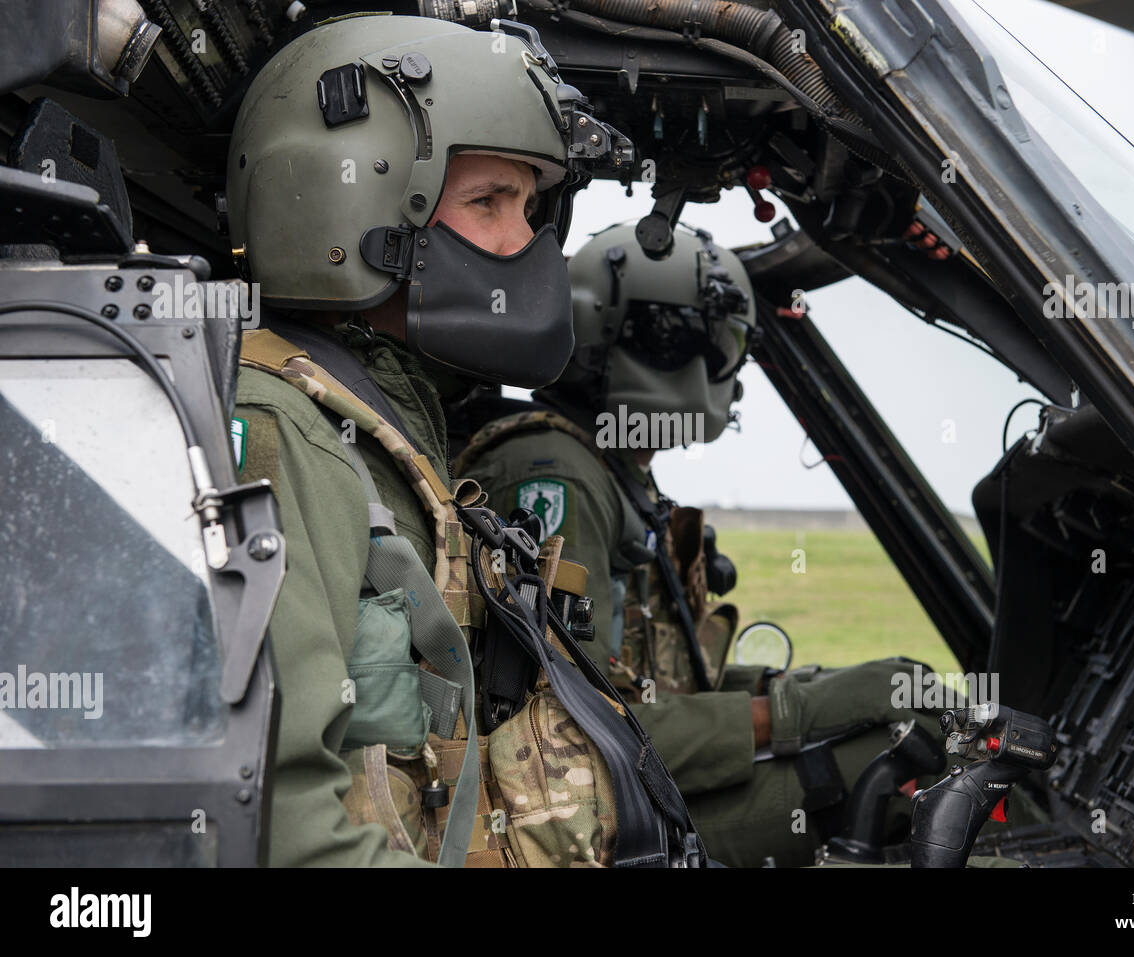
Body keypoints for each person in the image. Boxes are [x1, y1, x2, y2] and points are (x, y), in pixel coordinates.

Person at [226, 15, 698, 867]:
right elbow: (282, 834)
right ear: (347, 202)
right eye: (489, 202)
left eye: (530, 206)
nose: (524, 242)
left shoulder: (385, 422)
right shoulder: (282, 435)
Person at [459, 225, 952, 867]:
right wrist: (801, 710)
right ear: (664, 342)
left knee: (900, 730)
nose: (733, 379)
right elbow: (577, 724)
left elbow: (650, 683)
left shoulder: (612, 470)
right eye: (726, 348)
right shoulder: (556, 474)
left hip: (632, 786)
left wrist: (798, 686)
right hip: (584, 820)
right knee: (890, 762)